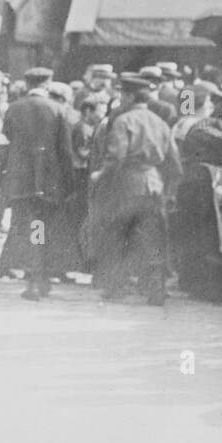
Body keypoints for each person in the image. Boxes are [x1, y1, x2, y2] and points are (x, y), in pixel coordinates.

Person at [87, 73, 182, 305]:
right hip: (154, 183)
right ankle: (155, 290)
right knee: (153, 238)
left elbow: (116, 157)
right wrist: (169, 191)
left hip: (127, 183)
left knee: (120, 235)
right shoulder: (160, 122)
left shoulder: (124, 121)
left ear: (129, 96)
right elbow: (175, 163)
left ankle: (117, 287)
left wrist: (99, 176)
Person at [0, 67, 77, 301]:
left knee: (29, 228)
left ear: (26, 82)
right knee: (42, 229)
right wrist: (69, 183)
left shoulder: (13, 108)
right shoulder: (58, 109)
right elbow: (65, 150)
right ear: (47, 84)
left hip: (20, 180)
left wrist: (4, 177)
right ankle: (38, 279)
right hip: (48, 180)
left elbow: (4, 144)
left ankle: (35, 277)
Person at [171, 123, 222, 303]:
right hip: (204, 186)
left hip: (196, 183)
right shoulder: (206, 129)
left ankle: (196, 284)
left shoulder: (194, 126)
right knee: (210, 237)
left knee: (198, 238)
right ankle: (210, 287)